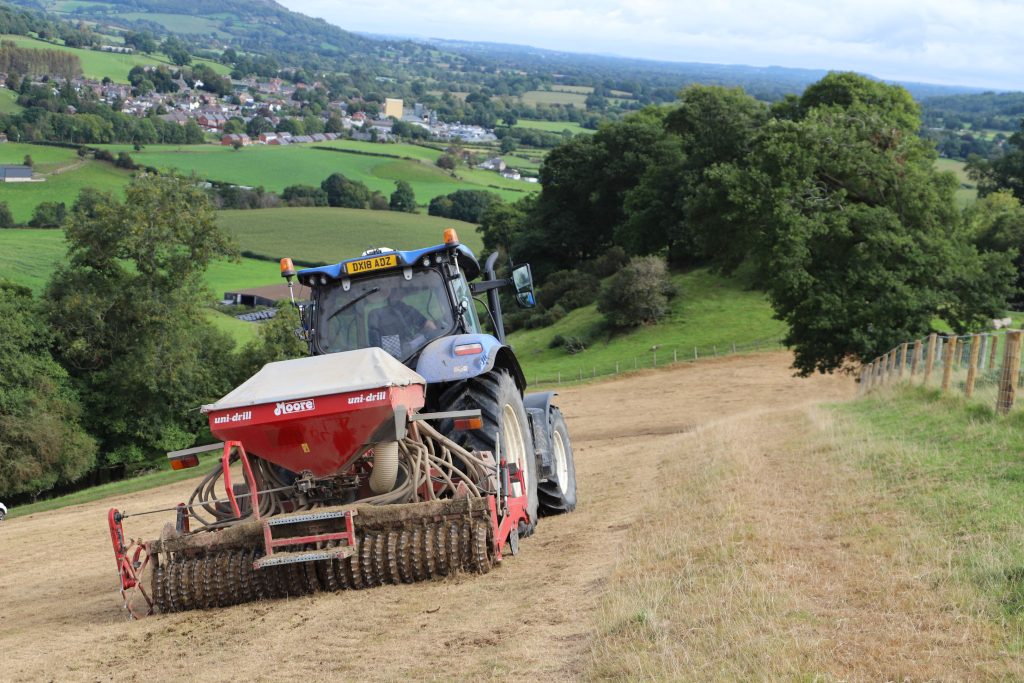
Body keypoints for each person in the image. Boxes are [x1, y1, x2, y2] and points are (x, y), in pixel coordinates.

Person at [367, 279, 438, 357]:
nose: (400, 294)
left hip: (392, 360)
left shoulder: (406, 310)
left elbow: (427, 324)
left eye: (400, 291)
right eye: (396, 291)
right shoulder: (377, 315)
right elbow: (429, 326)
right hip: (402, 358)